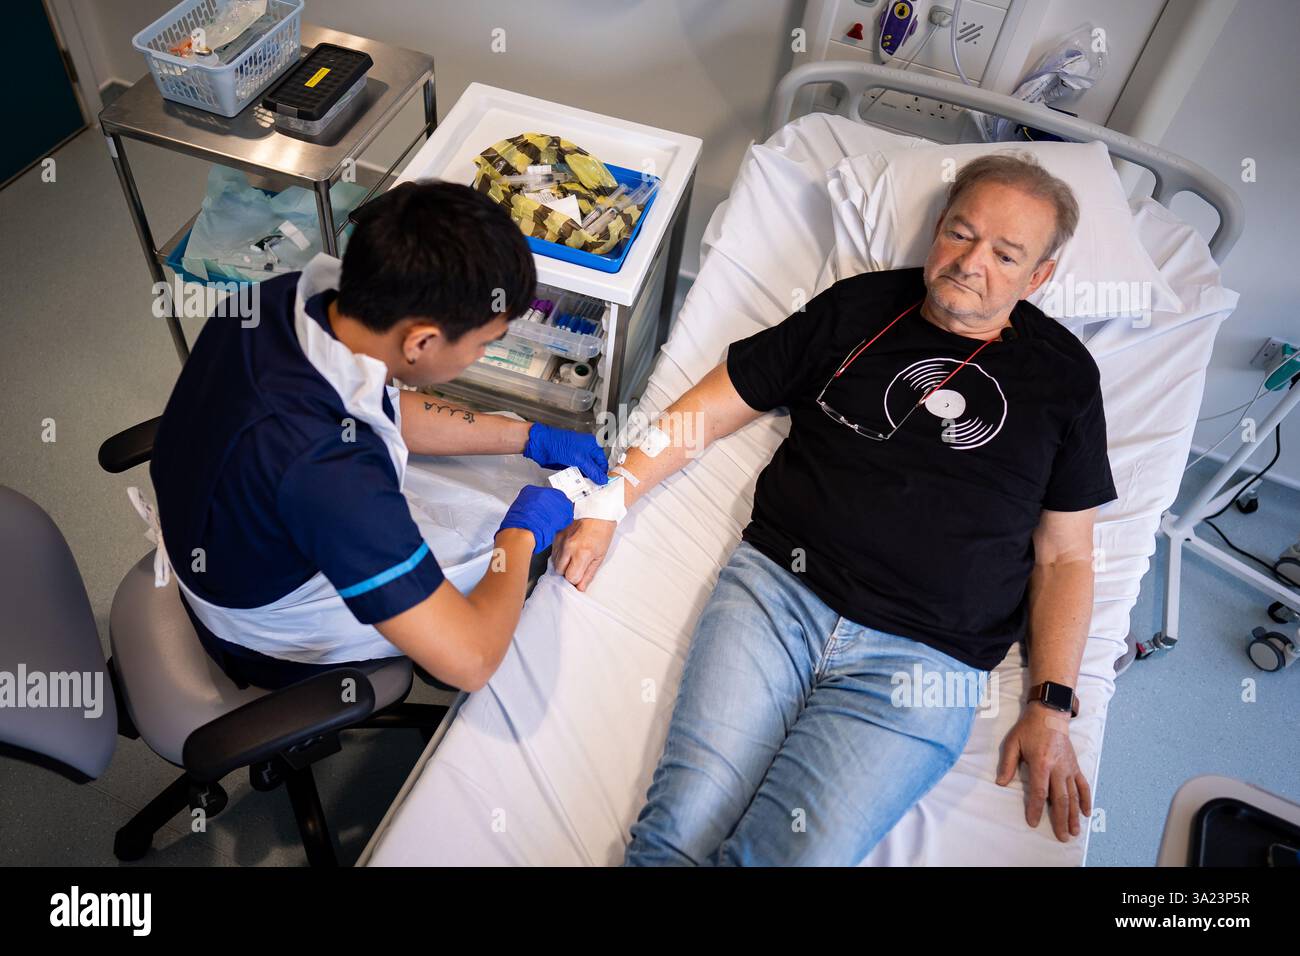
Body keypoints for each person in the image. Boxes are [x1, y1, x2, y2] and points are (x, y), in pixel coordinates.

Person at [552, 154, 1117, 864]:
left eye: (1006, 255)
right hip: (777, 598)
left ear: (1038, 278)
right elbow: (714, 408)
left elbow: (1065, 556)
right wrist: (614, 497)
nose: (972, 263)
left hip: (924, 659)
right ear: (938, 229)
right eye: (962, 235)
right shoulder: (856, 309)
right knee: (676, 831)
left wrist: (1051, 704)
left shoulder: (1063, 379)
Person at [148, 181, 599, 692]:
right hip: (268, 629)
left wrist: (526, 436)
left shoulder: (282, 302)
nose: (479, 357)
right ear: (422, 341)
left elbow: (376, 404)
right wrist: (520, 536)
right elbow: (472, 660)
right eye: (483, 345)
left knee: (486, 482)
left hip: (228, 527)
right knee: (488, 577)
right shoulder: (328, 473)